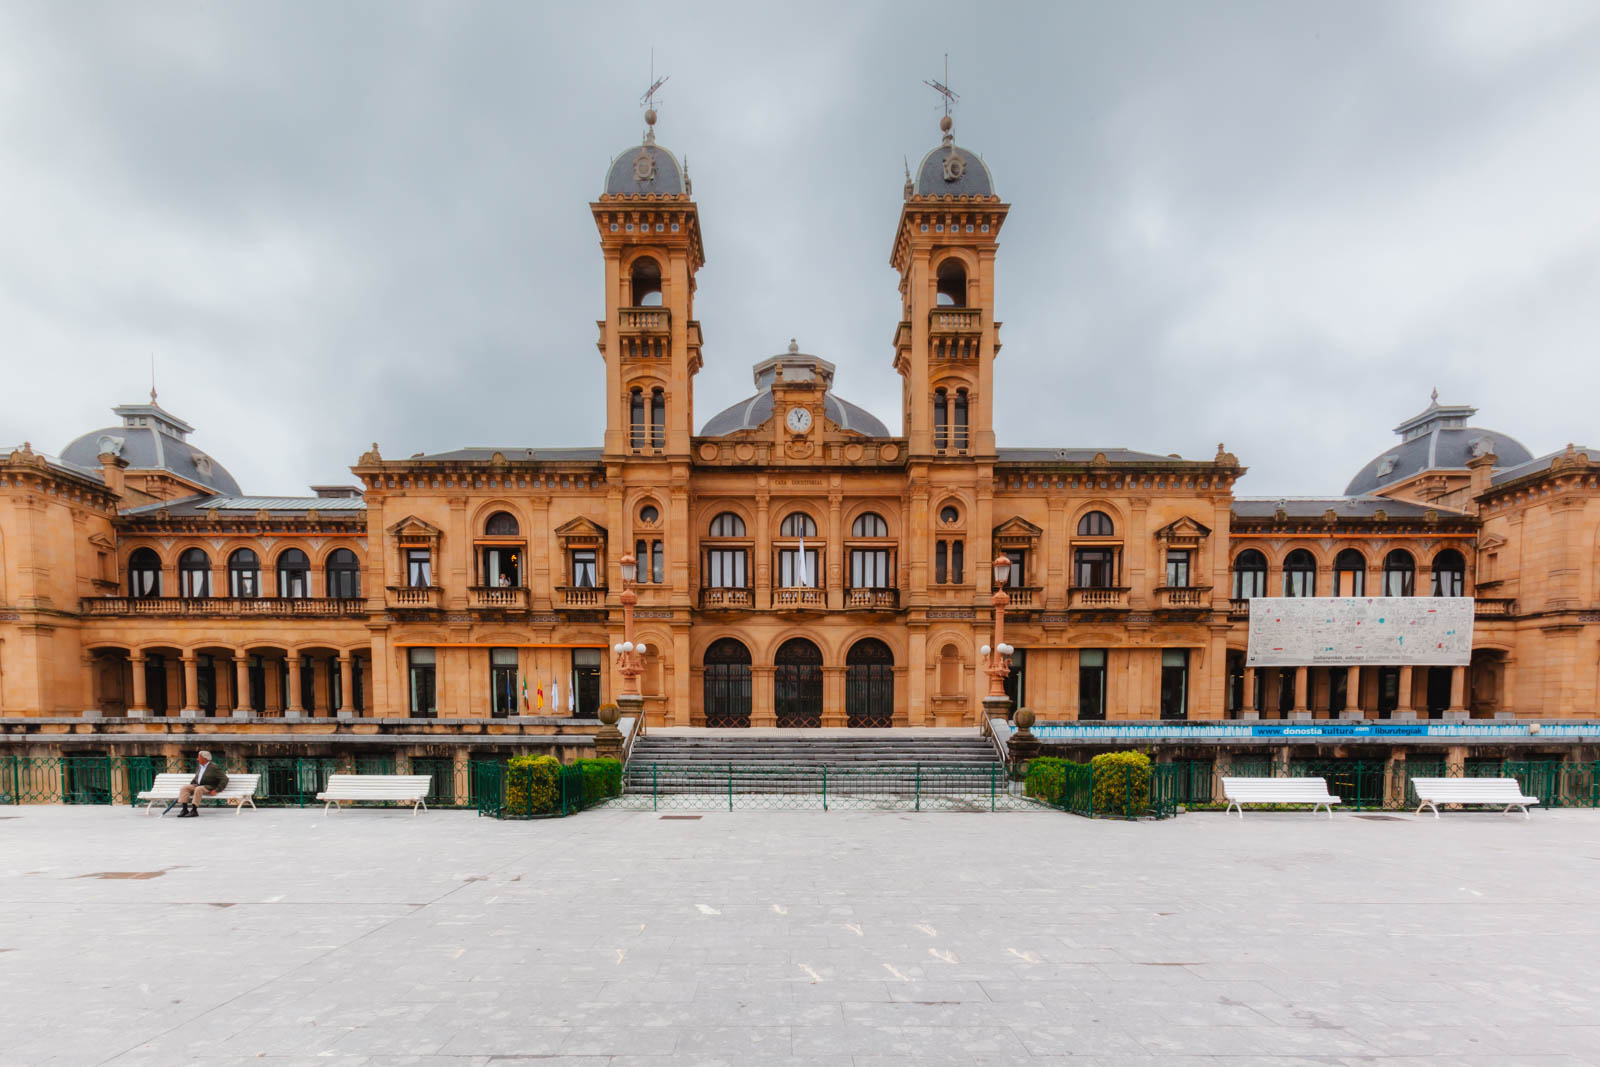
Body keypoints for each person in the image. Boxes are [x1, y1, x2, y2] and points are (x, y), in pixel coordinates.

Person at [174, 750, 229, 818]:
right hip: (198, 785)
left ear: (204, 759)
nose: (197, 759)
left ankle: (194, 810)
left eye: (199, 757)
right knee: (184, 788)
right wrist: (191, 786)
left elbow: (225, 779)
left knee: (198, 789)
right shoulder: (200, 766)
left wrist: (217, 790)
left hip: (209, 786)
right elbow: (197, 777)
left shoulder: (214, 767)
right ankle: (185, 810)